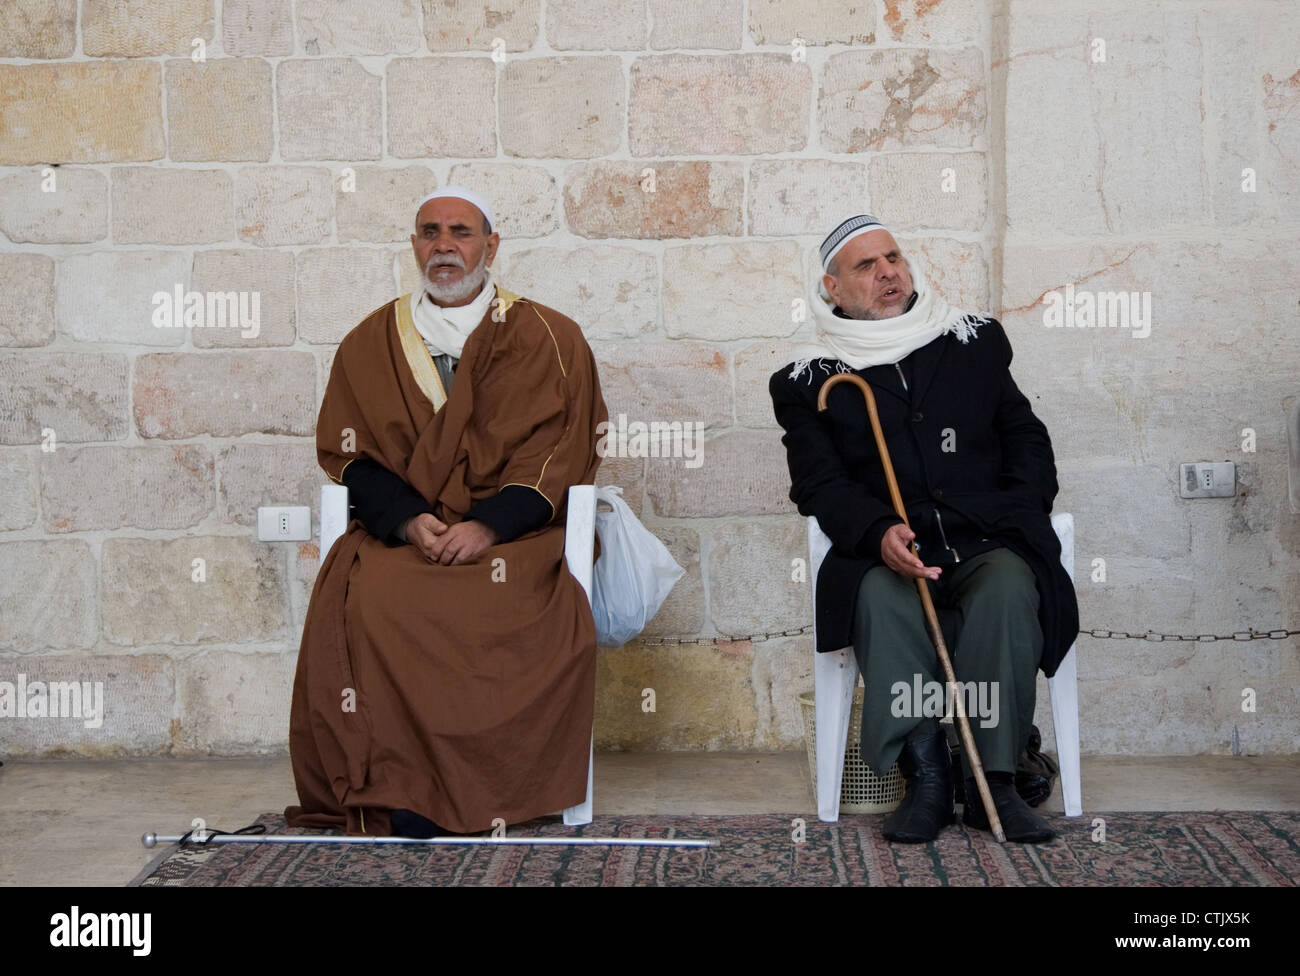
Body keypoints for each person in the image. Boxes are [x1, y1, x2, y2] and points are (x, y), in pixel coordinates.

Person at [285, 186, 608, 838]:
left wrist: (487, 525)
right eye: (430, 232)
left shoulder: (550, 337)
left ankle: (502, 787)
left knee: (518, 602)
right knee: (374, 593)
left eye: (461, 232)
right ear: (413, 246)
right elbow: (349, 454)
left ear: (490, 246)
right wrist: (407, 521)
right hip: (412, 535)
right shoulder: (369, 342)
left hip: (516, 537)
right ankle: (403, 791)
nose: (444, 246)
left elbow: (564, 451)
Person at [769, 214, 1079, 844]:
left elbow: (1024, 435)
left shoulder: (972, 340)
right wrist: (878, 528)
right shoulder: (808, 377)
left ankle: (994, 778)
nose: (889, 273)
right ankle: (928, 778)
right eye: (866, 266)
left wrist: (1019, 511)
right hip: (885, 552)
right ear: (832, 287)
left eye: (894, 258)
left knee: (1006, 586)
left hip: (983, 537)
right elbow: (818, 484)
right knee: (882, 599)